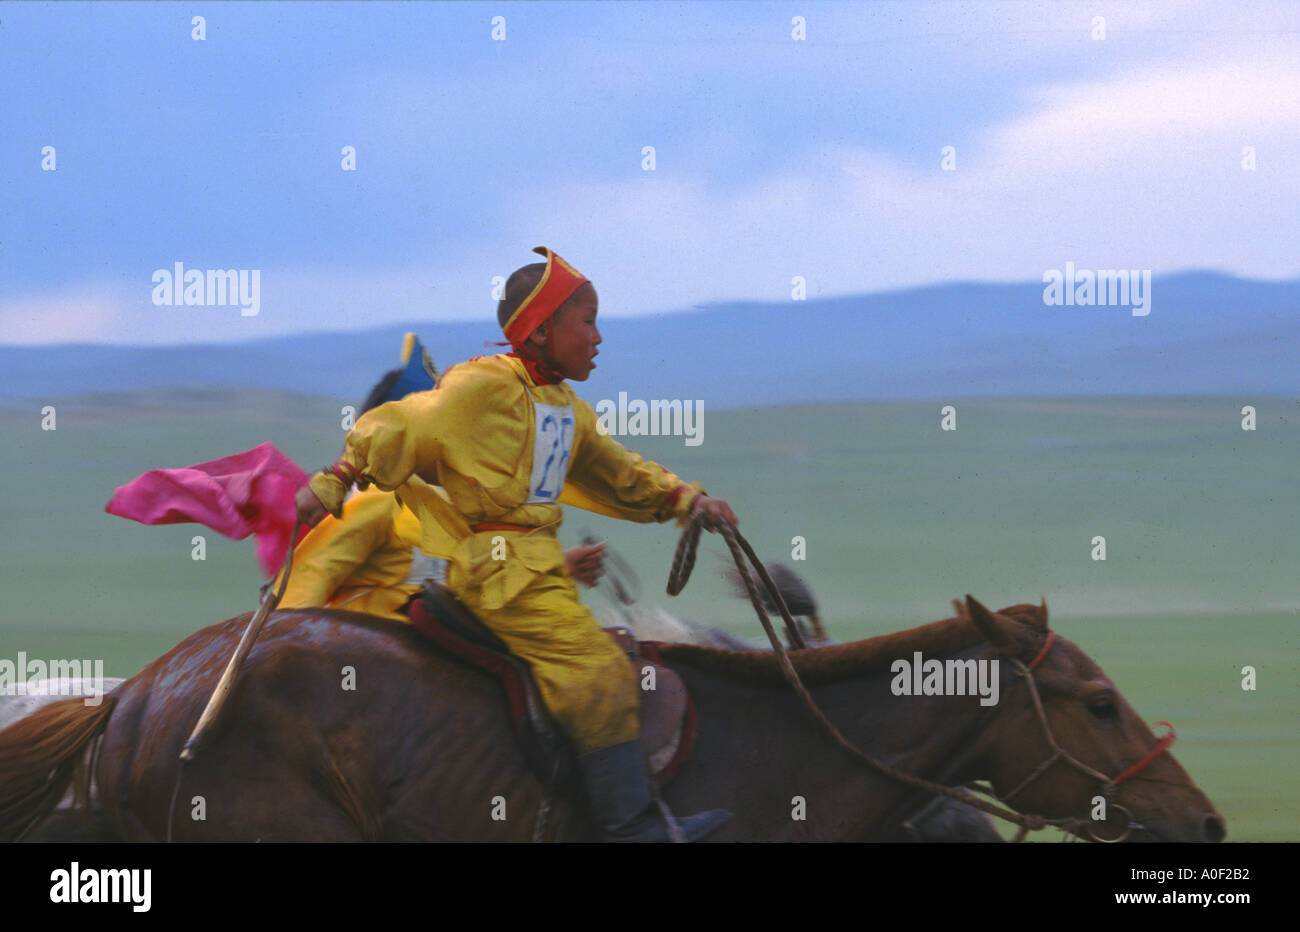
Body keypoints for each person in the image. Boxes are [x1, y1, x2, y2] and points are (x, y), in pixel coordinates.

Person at [295, 247, 735, 842]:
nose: (599, 337)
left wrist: (688, 500)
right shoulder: (483, 384)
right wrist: (334, 480)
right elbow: (402, 421)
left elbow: (619, 471)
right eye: (588, 320)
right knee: (599, 672)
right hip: (499, 575)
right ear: (543, 326)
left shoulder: (563, 405)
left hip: (533, 573)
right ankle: (632, 830)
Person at [276, 335, 607, 621]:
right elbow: (310, 576)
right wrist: (280, 650)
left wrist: (560, 568)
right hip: (375, 671)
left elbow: (477, 579)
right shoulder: (373, 501)